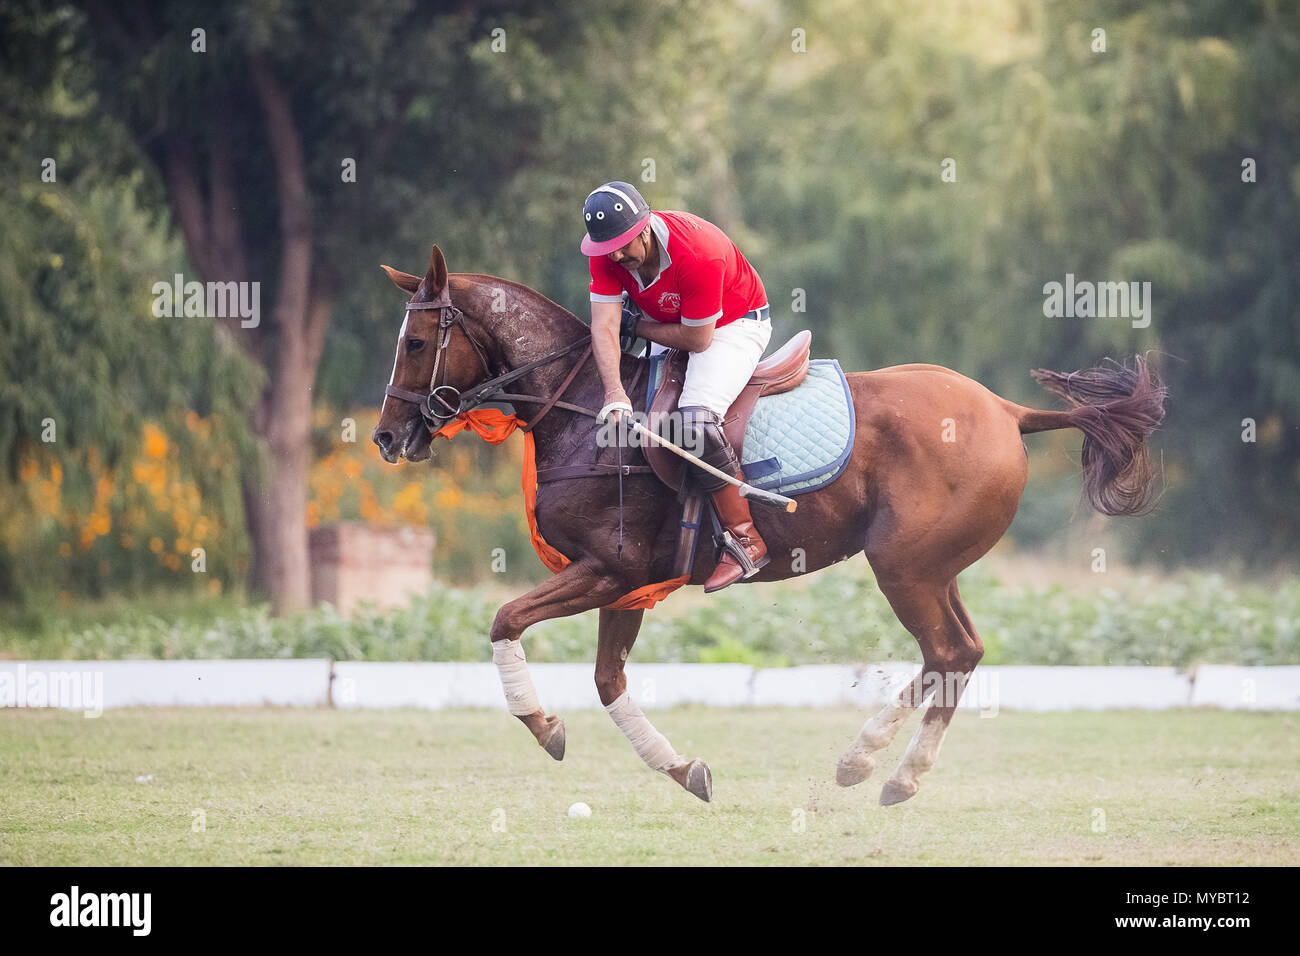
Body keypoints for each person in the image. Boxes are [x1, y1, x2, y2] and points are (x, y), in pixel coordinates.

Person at [582, 180, 772, 592]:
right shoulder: (606, 252)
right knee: (636, 415)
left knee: (695, 422)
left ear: (645, 227)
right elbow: (605, 326)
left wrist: (640, 325)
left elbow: (698, 340)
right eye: (606, 248)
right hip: (673, 326)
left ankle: (746, 539)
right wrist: (614, 394)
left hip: (731, 326)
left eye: (623, 245)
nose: (616, 255)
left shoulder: (698, 251)